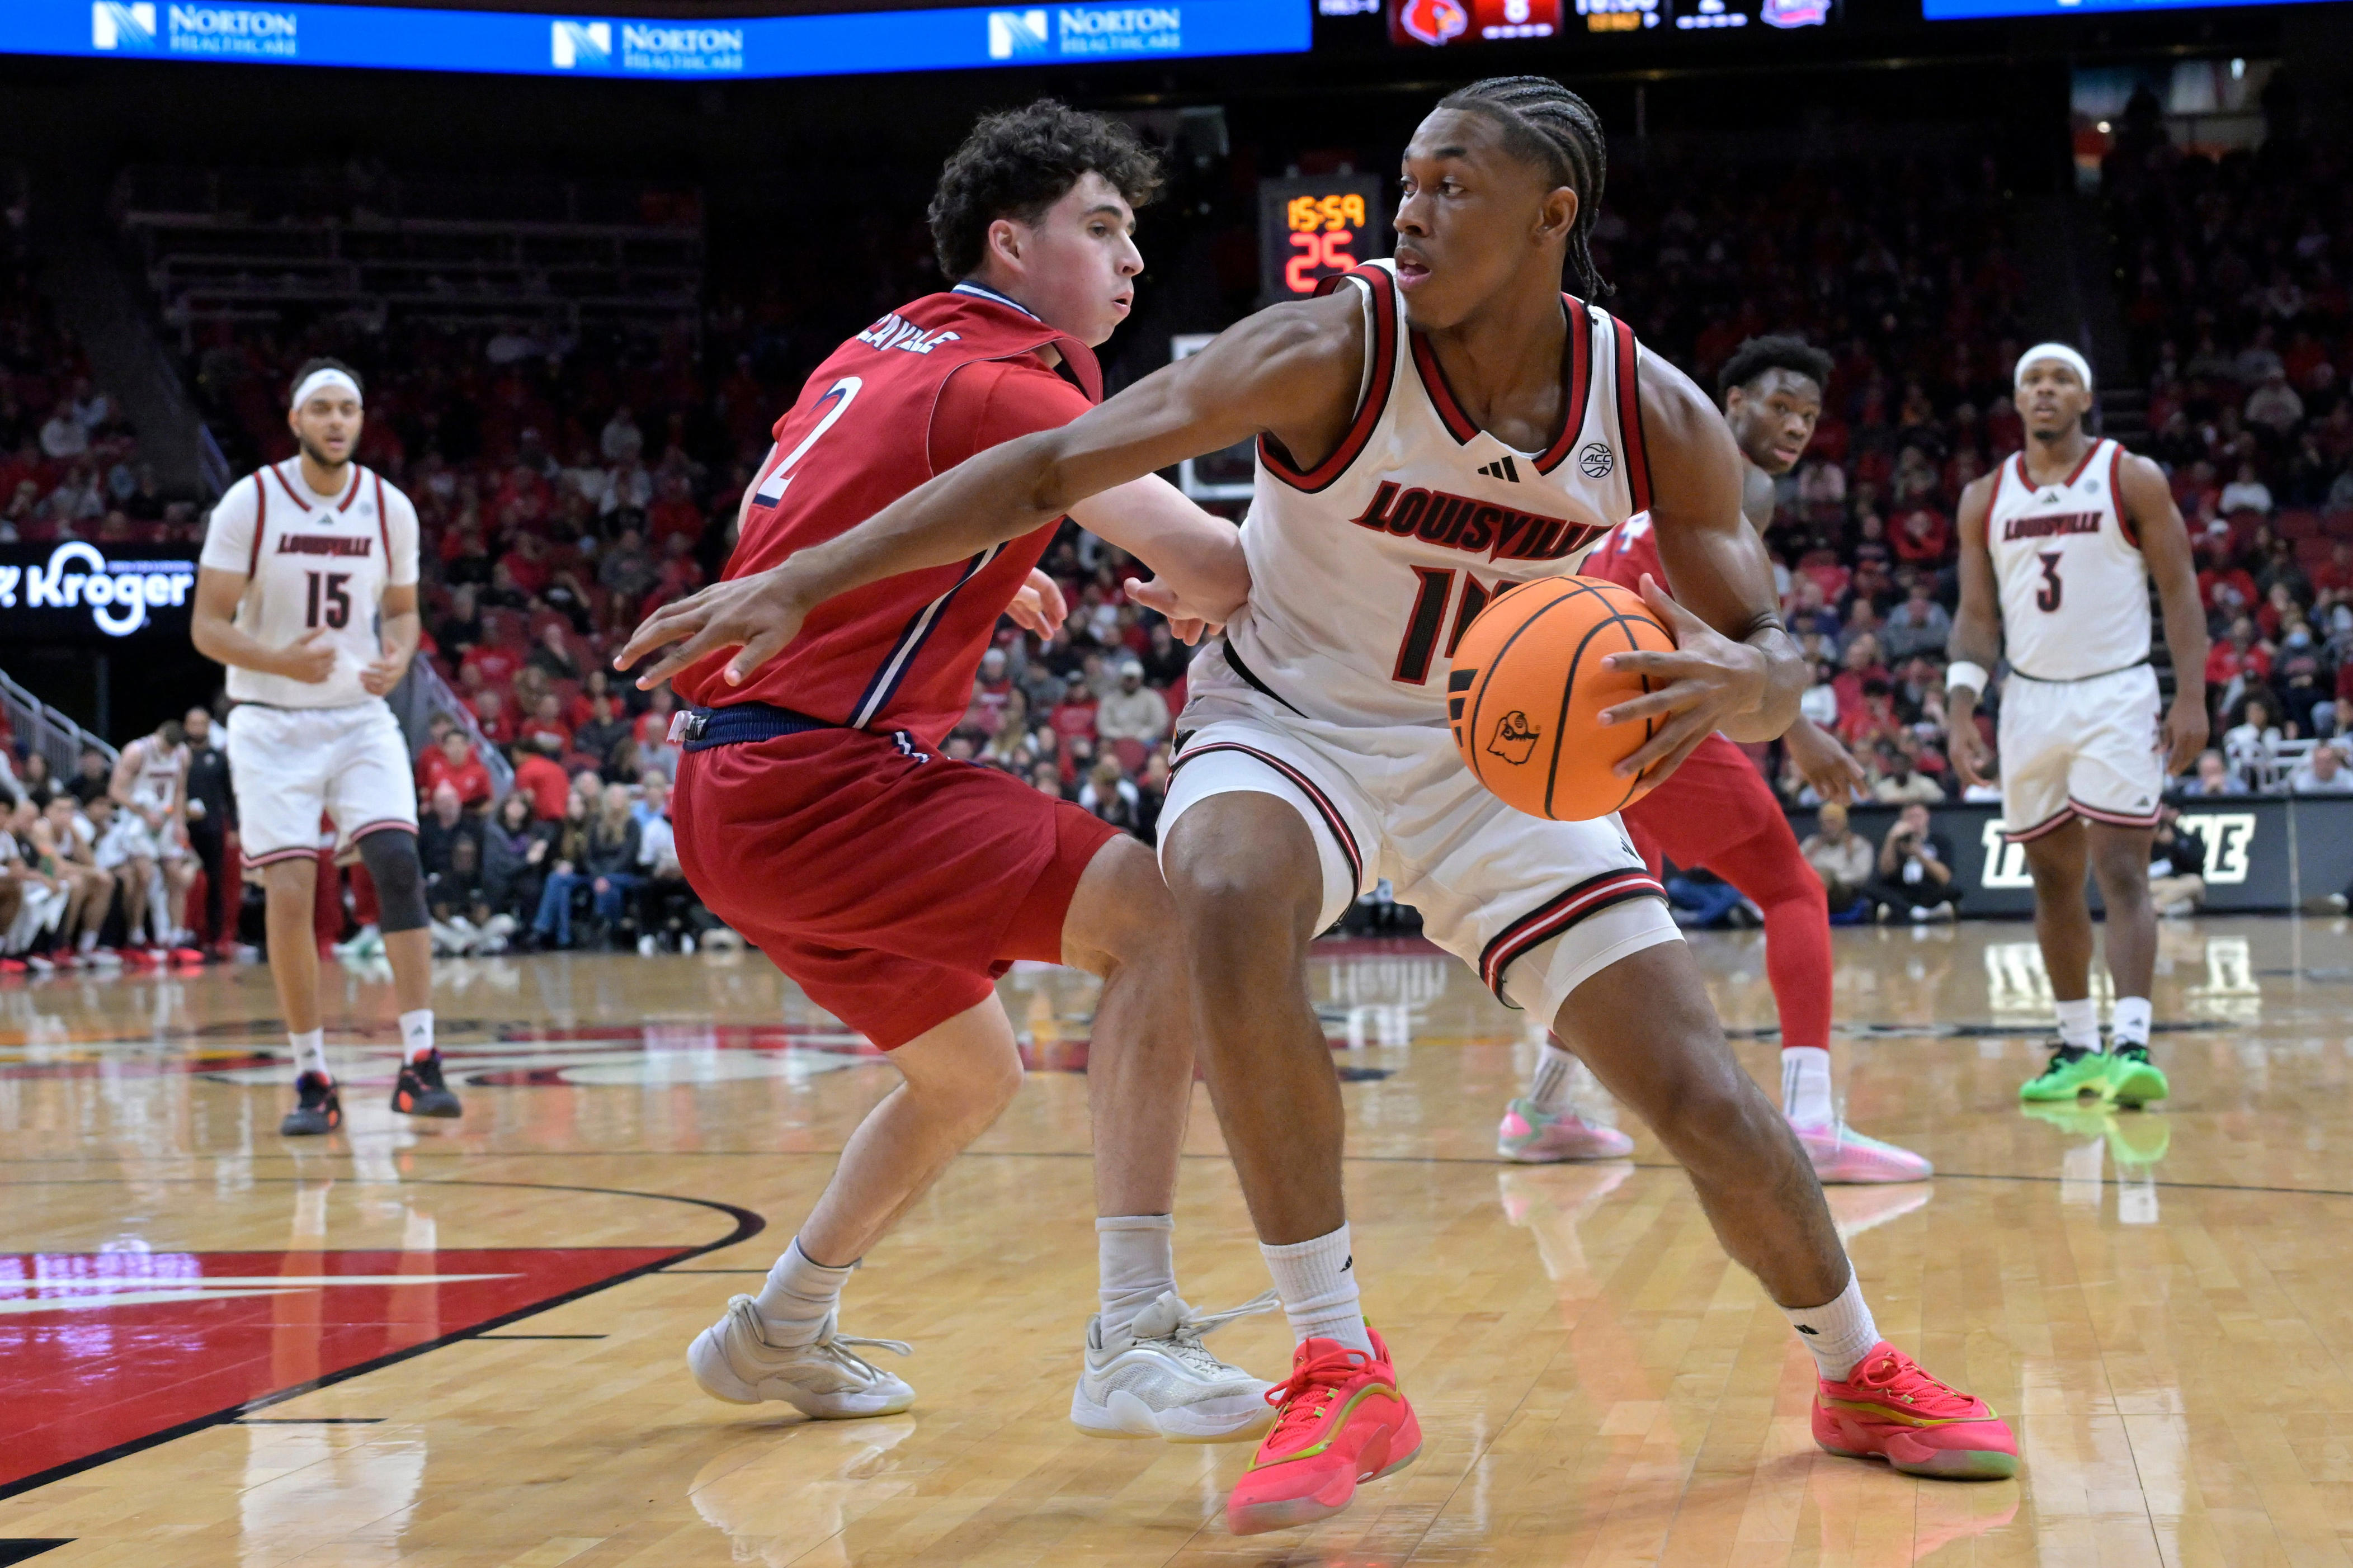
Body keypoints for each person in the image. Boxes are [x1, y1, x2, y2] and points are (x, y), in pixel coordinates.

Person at [622, 77, 2016, 1529]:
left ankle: (1852, 1366)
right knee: (1211, 890)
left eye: (1452, 186)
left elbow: (1771, 638)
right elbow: (1045, 464)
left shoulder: (1647, 407)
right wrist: (795, 578)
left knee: (1696, 1092)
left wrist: (1750, 686)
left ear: (1552, 214)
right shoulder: (1323, 343)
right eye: (1405, 182)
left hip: (1495, 763)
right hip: (1287, 721)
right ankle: (1335, 1354)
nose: (1409, 212)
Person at [616, 102, 1277, 1443]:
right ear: (1011, 245)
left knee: (971, 1075)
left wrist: (992, 567)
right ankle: (1134, 1335)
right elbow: (1212, 565)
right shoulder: (1011, 383)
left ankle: (778, 1328)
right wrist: (1203, 585)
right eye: (1102, 228)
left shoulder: (878, 345)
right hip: (826, 785)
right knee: (1161, 921)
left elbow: (847, 502)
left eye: (1136, 234)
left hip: (730, 792)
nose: (1132, 260)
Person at [1506, 336, 1928, 1183]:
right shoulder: (1740, 486)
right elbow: (1721, 636)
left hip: (1572, 711)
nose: (1795, 426)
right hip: (1641, 707)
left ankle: (1541, 1109)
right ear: (1729, 403)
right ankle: (1808, 1120)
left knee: (1616, 920)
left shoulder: (1653, 474)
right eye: (1778, 406)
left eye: (1808, 416)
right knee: (1790, 889)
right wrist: (1800, 732)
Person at [190, 357, 459, 1135]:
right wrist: (278, 659)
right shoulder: (252, 501)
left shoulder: (388, 508)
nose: (338, 421)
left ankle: (420, 1059)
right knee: (291, 891)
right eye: (324, 409)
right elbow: (206, 626)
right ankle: (312, 1074)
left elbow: (402, 613)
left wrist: (399, 656)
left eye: (350, 409)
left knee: (400, 866)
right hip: (269, 718)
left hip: (356, 716)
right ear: (296, 421)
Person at [1948, 343, 2208, 1109]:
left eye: (2060, 379)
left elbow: (2179, 589)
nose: (2045, 391)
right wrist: (1961, 707)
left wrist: (2188, 694)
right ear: (2017, 399)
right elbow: (1973, 615)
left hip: (2115, 696)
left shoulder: (2130, 476)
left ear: (2085, 398)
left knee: (2121, 872)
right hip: (2027, 701)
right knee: (2049, 879)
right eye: (2032, 380)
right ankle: (2074, 1050)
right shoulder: (1983, 497)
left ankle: (2130, 1043)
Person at [181, 706, 236, 949]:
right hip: (183, 831)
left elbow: (230, 796)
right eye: (193, 723)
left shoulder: (219, 758)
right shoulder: (179, 757)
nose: (197, 728)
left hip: (212, 829)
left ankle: (214, 936)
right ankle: (185, 932)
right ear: (186, 726)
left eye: (202, 723)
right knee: (186, 880)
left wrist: (234, 827)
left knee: (215, 882)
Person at [1867, 802, 1956, 922]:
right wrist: (1891, 839)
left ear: (1927, 817)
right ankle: (1915, 911)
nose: (1915, 821)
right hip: (1902, 889)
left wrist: (1918, 854)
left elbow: (1944, 878)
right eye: (1910, 817)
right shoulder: (1894, 842)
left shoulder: (1940, 842)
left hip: (1928, 889)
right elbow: (1885, 872)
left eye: (1918, 816)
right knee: (1872, 888)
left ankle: (1907, 910)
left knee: (1953, 891)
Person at [1800, 801, 1875, 919]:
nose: (1828, 827)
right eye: (1824, 823)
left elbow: (1861, 876)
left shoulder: (1858, 844)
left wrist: (1831, 877)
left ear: (1843, 823)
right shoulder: (1811, 844)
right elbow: (1796, 869)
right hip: (1810, 889)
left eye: (1832, 822)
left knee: (1825, 874)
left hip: (1845, 895)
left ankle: (1805, 912)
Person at [2289, 737, 2353, 794]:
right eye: (2319, 762)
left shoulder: (2347, 778)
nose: (2323, 766)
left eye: (2328, 762)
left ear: (2336, 763)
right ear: (2313, 763)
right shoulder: (2303, 782)